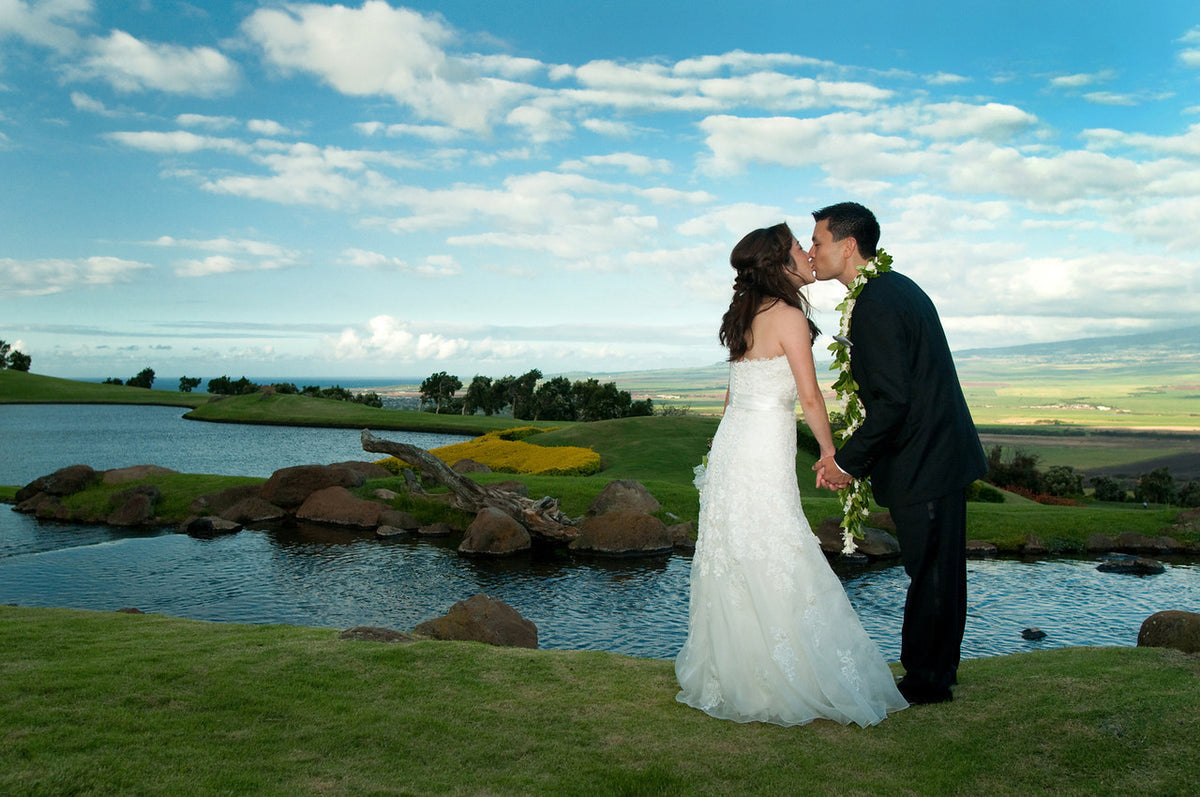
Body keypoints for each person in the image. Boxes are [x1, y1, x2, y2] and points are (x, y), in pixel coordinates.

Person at [675, 222, 908, 727]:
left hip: (735, 440)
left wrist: (720, 446)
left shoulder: (744, 313)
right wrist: (831, 453)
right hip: (762, 443)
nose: (808, 252)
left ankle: (741, 672)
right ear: (781, 263)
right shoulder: (789, 317)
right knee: (776, 541)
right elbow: (810, 397)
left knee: (739, 548)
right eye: (800, 247)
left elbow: (733, 393)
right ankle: (785, 674)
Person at [810, 202, 988, 705]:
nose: (812, 251)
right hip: (936, 454)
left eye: (818, 242)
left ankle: (927, 681)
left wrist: (846, 462)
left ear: (848, 246)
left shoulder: (878, 304)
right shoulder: (893, 289)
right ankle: (936, 672)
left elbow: (893, 401)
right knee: (938, 572)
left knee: (931, 574)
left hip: (925, 458)